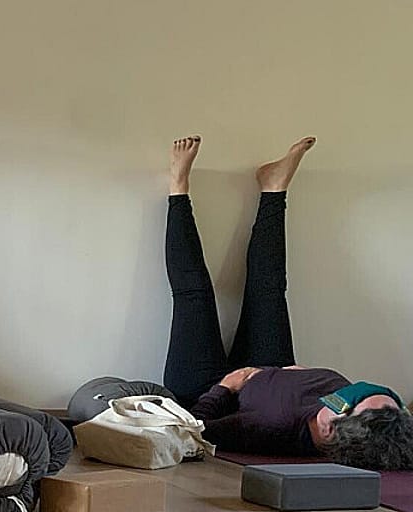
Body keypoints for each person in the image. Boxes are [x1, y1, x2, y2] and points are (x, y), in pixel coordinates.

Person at [162, 134, 413, 470]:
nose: (357, 390)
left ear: (327, 426)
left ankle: (178, 187)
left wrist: (226, 386)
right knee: (268, 289)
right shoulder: (365, 419)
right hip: (270, 368)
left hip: (212, 387)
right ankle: (273, 188)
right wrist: (290, 375)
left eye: (355, 397)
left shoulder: (269, 427)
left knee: (195, 294)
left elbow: (194, 429)